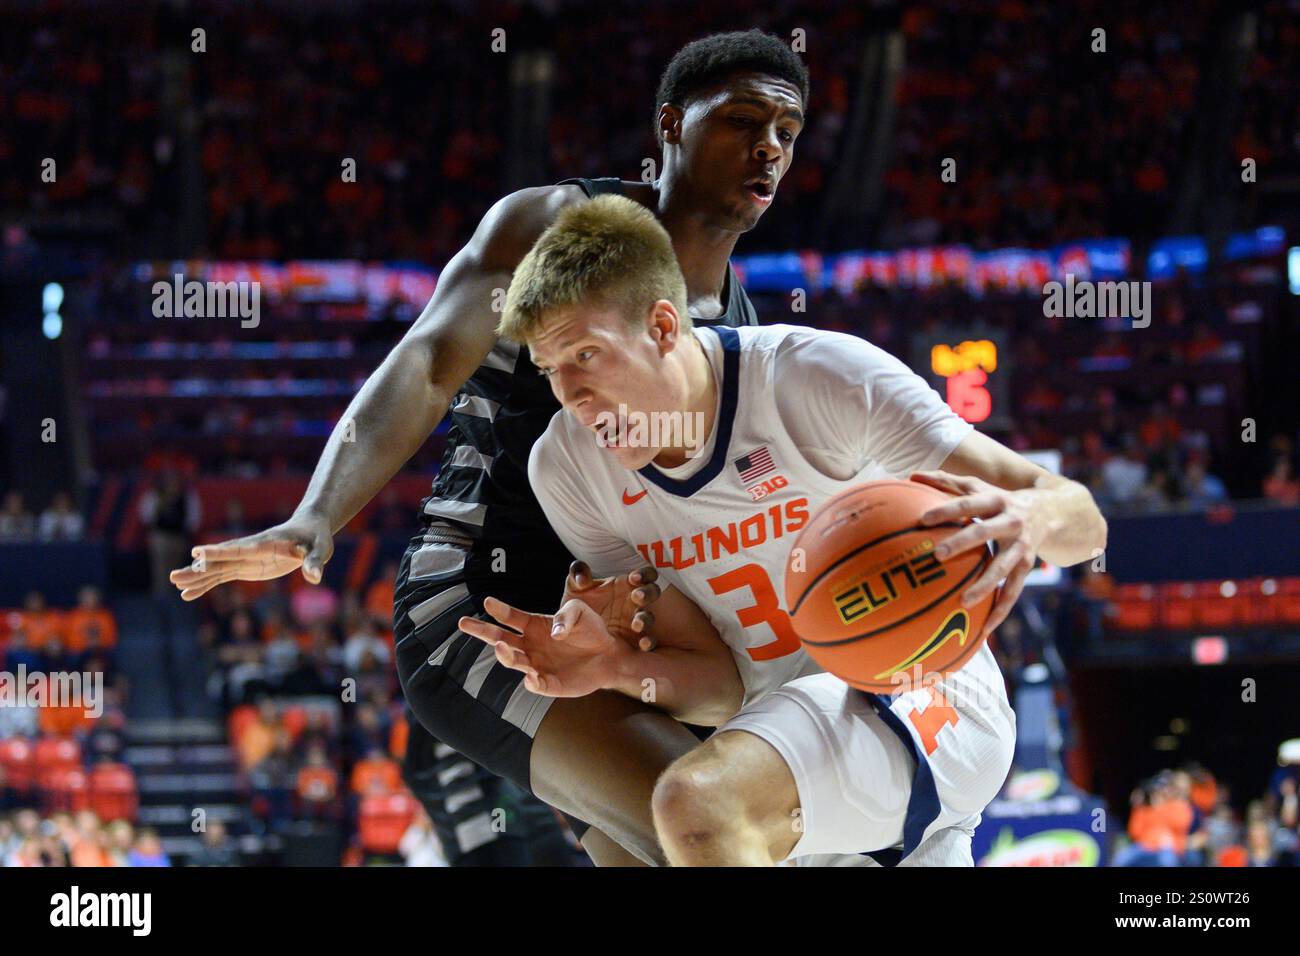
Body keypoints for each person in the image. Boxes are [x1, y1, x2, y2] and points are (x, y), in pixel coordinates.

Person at [168, 29, 809, 865]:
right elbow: (429, 362)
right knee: (718, 827)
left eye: (786, 135)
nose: (767, 148)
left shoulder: (742, 324)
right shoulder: (559, 223)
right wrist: (316, 515)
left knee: (690, 844)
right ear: (670, 126)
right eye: (742, 121)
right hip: (482, 605)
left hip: (610, 640)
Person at [463, 193, 1108, 866]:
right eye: (550, 370)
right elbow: (720, 688)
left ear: (660, 325)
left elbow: (1083, 523)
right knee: (634, 838)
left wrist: (1031, 516)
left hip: (920, 686)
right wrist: (620, 665)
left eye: (586, 355)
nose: (570, 393)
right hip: (789, 738)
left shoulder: (817, 378)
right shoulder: (569, 469)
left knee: (695, 803)